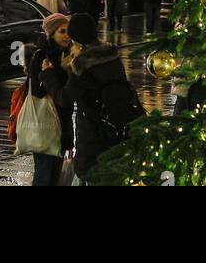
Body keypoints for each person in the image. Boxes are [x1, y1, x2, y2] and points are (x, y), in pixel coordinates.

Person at [61, 13, 144, 183]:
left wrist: (49, 74)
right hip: (116, 130)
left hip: (93, 137)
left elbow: (65, 97)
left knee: (93, 176)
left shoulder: (82, 66)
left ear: (76, 41)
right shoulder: (112, 57)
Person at [25, 13, 71, 186]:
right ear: (52, 33)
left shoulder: (68, 54)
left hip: (62, 125)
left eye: (69, 31)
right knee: (44, 176)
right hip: (44, 125)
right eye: (62, 31)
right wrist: (56, 71)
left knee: (55, 177)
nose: (67, 35)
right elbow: (37, 91)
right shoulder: (41, 56)